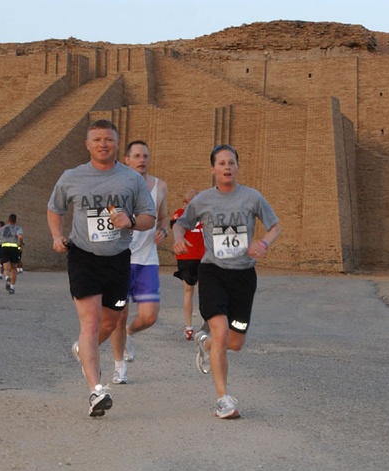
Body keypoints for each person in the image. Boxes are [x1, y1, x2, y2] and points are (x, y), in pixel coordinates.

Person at [47, 118, 156, 417]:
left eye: (108, 139)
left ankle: (85, 349)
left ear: (117, 144)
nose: (103, 144)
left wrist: (130, 221)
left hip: (118, 258)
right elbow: (54, 208)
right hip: (83, 256)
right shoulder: (72, 176)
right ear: (88, 145)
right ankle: (96, 391)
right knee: (91, 322)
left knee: (110, 322)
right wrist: (57, 236)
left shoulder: (131, 179)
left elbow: (150, 217)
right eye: (97, 140)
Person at [172, 144, 281, 419]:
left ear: (237, 166)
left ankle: (205, 343)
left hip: (244, 275)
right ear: (213, 169)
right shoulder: (203, 200)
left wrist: (264, 244)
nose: (227, 167)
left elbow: (275, 226)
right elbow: (180, 223)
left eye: (231, 162)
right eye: (221, 163)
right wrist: (178, 239)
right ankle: (223, 399)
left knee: (234, 343)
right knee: (221, 332)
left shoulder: (252, 197)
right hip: (213, 272)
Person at [109, 140, 169, 384]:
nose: (141, 159)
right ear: (127, 159)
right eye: (136, 155)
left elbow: (163, 218)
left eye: (145, 155)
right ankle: (119, 366)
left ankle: (129, 334)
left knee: (149, 316)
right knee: (118, 315)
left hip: (147, 260)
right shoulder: (115, 184)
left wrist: (163, 232)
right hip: (120, 258)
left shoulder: (160, 186)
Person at [171, 190, 201, 340]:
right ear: (186, 201)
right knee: (189, 290)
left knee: (206, 292)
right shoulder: (180, 213)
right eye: (193, 199)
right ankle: (189, 326)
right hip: (187, 257)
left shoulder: (205, 214)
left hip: (204, 257)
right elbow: (176, 227)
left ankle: (207, 325)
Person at [0, 214, 23, 294]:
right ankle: (12, 288)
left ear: (8, 220)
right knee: (13, 268)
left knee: (6, 267)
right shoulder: (18, 228)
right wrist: (21, 244)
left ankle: (7, 277)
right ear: (15, 220)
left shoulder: (2, 228)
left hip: (4, 248)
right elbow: (20, 237)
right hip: (14, 248)